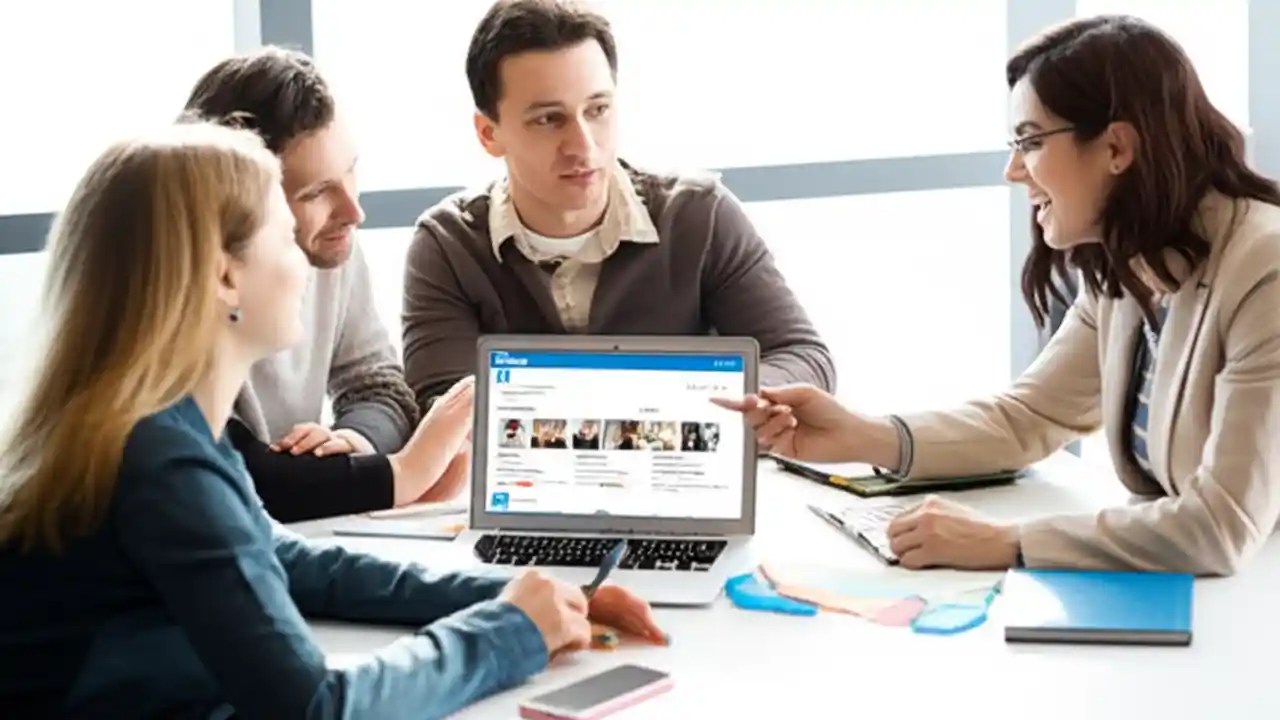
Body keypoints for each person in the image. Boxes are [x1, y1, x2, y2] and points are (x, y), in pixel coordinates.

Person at [0, 122, 663, 718]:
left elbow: (286, 561)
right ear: (225, 277)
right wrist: (510, 632)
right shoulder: (159, 458)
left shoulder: (154, 426)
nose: (306, 267)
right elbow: (318, 709)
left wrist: (522, 594)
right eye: (286, 236)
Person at [719, 15, 1280, 577]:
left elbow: (1220, 525)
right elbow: (1028, 417)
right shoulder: (1130, 264)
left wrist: (1007, 542)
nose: (1013, 170)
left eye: (1031, 142)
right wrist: (863, 435)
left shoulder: (1264, 269)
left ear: (1116, 146)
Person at [403, 0, 835, 413]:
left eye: (598, 109)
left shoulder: (700, 216)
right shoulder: (447, 244)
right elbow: (442, 406)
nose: (583, 146)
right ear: (488, 134)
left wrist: (695, 407)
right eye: (549, 119)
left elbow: (803, 358)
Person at [181, 47, 471, 522]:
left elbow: (378, 386)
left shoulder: (330, 244)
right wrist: (405, 472)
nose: (354, 212)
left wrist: (353, 445)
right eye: (316, 192)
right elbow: (237, 481)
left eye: (350, 170)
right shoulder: (171, 297)